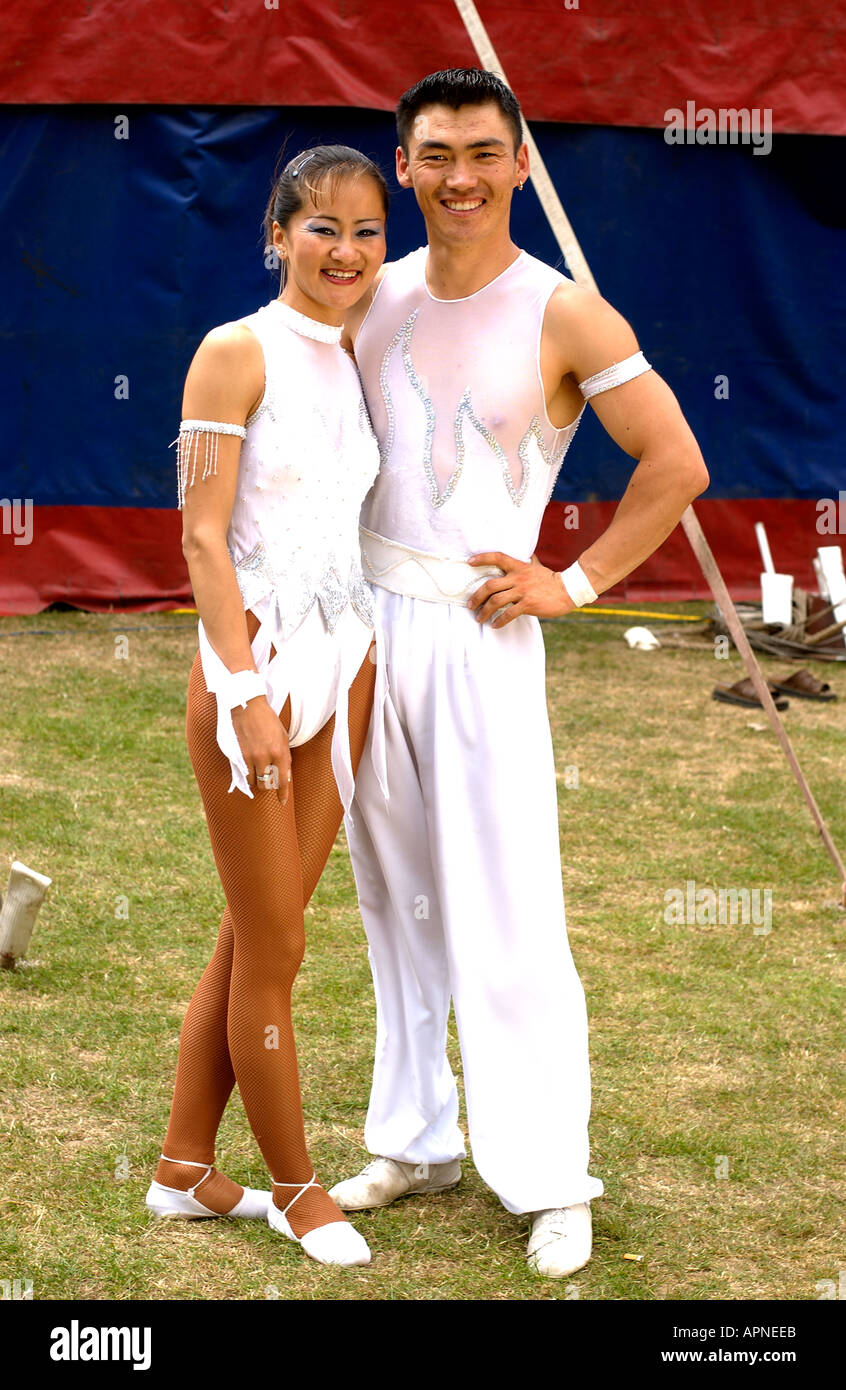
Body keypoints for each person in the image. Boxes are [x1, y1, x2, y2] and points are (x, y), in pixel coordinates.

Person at [329, 69, 710, 1278]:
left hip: (481, 634)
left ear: (522, 160)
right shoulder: (365, 295)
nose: (461, 177)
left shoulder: (567, 313)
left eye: (485, 153)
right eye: (437, 153)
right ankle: (415, 1137)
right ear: (405, 164)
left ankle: (549, 1171)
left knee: (507, 908)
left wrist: (576, 581)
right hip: (363, 628)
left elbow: (676, 462)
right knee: (392, 899)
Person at [145, 145, 389, 1267]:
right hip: (258, 675)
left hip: (346, 671)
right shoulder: (232, 351)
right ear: (278, 233)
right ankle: (300, 1188)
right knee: (279, 944)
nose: (346, 252)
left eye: (368, 232)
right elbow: (201, 537)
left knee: (257, 929)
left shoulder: (356, 353)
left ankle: (185, 1168)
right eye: (324, 228)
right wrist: (242, 691)